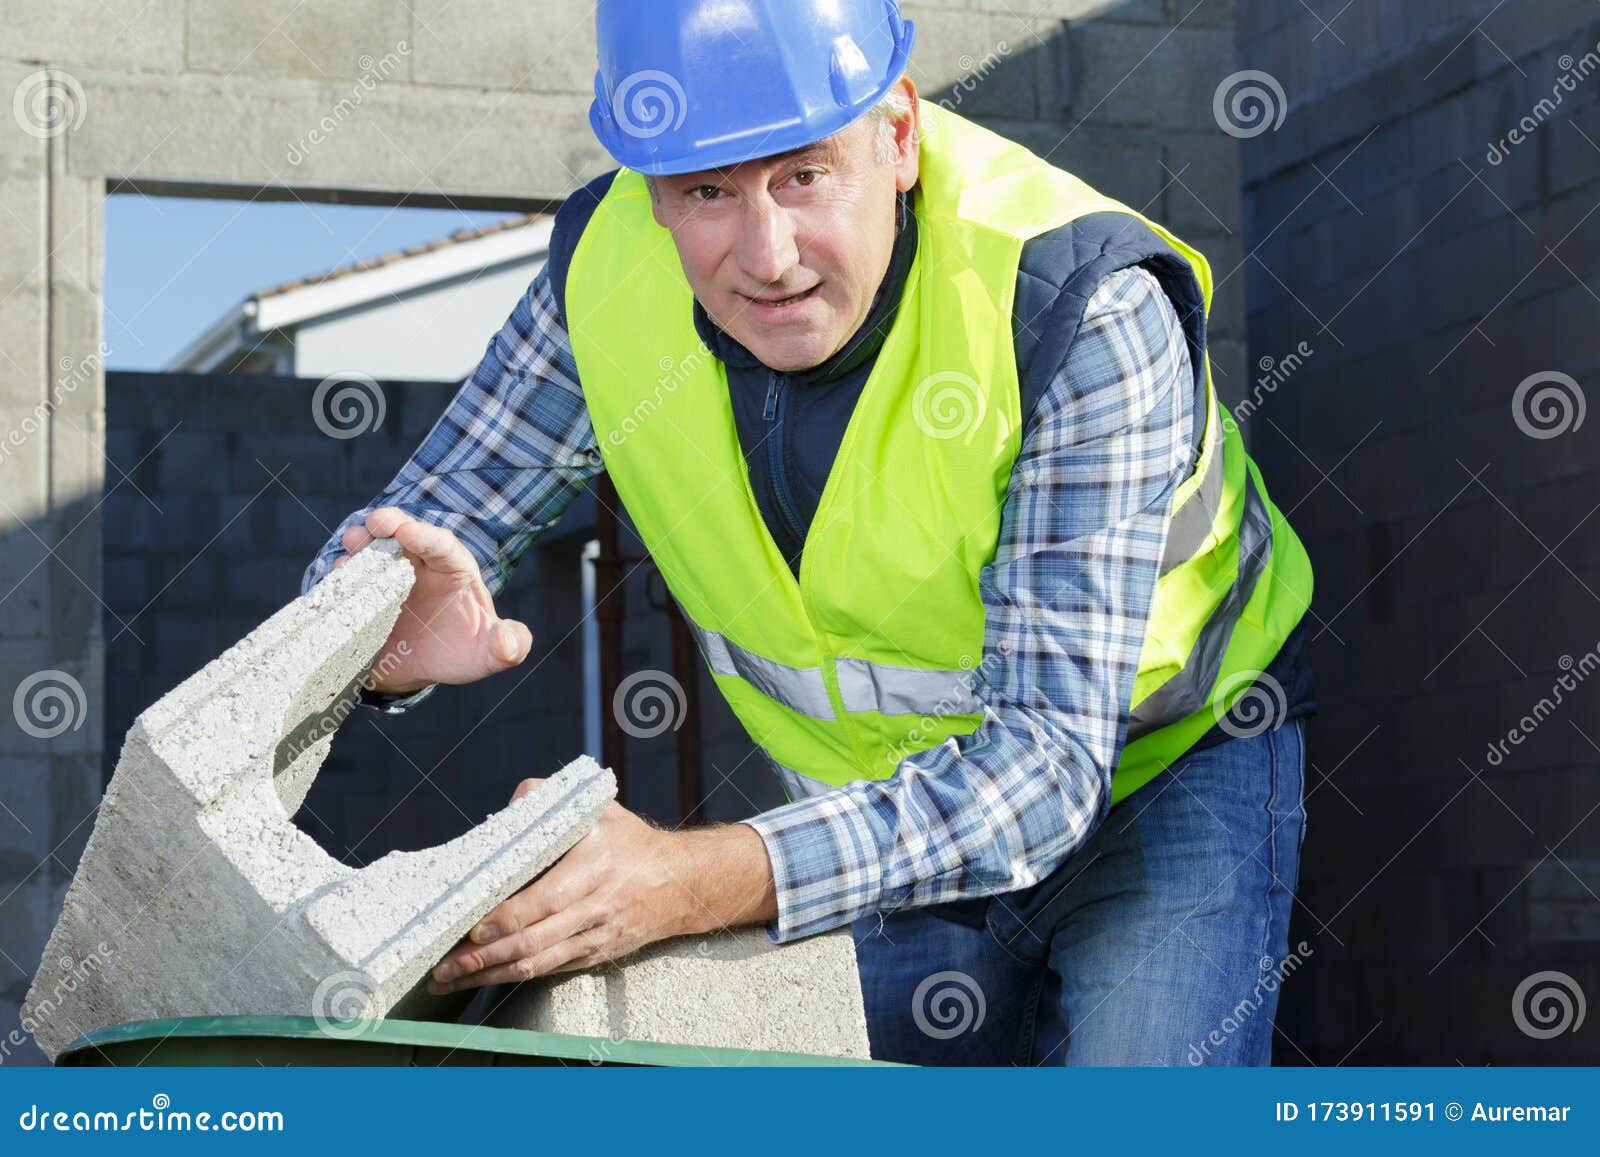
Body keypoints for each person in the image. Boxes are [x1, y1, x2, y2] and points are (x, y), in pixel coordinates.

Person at [304, 0, 1318, 1065]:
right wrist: (372, 640)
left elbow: (1042, 776)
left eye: (802, 175)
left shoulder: (1076, 302)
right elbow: (422, 525)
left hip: (1165, 761)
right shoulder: (604, 275)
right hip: (883, 809)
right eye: (707, 191)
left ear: (898, 135)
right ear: (652, 189)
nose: (768, 254)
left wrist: (681, 882)